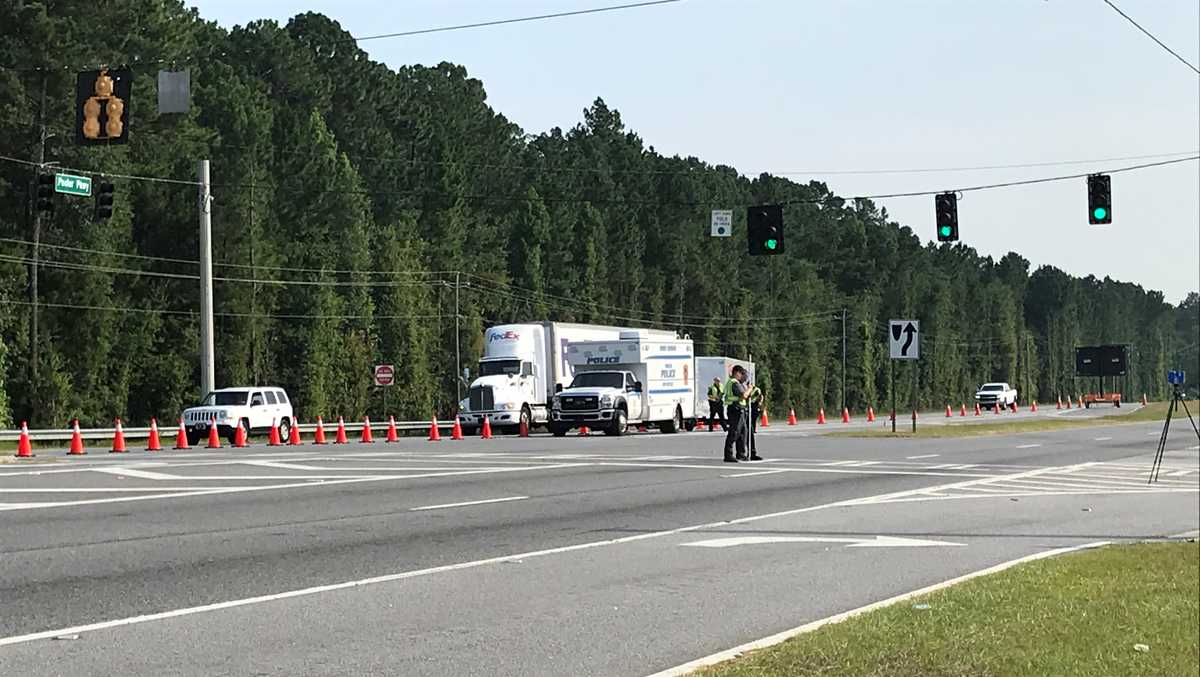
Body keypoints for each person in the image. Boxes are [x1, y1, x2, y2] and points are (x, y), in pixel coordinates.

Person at [722, 365, 750, 462]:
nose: (742, 375)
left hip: (739, 409)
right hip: (735, 409)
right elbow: (743, 395)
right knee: (734, 432)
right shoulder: (734, 383)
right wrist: (749, 388)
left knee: (743, 432)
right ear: (736, 373)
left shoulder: (737, 383)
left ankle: (741, 454)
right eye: (741, 373)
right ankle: (728, 454)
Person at [746, 383, 765, 461]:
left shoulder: (756, 389)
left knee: (753, 419)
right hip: (748, 405)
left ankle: (754, 429)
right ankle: (747, 452)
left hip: (754, 405)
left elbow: (760, 396)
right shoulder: (746, 389)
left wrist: (759, 403)